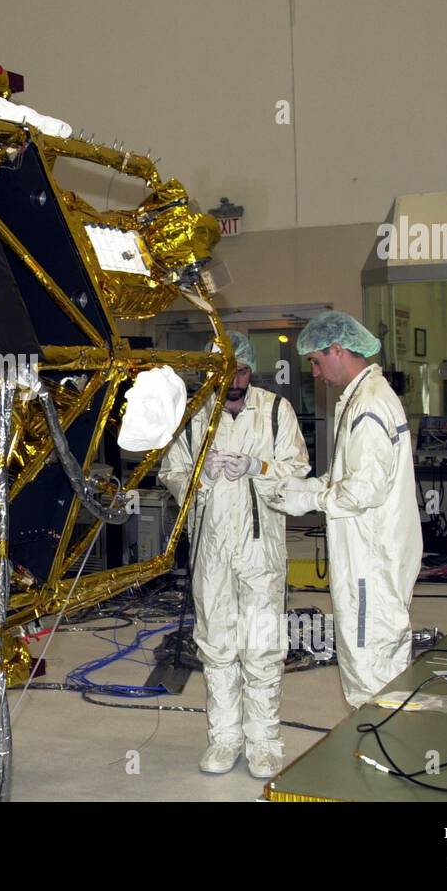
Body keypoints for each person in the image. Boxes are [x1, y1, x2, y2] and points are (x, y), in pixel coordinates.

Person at [160, 331, 309, 778]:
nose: (235, 382)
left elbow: (297, 472)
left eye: (241, 371)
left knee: (262, 644)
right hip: (210, 549)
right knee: (217, 644)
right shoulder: (194, 417)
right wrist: (199, 475)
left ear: (250, 370)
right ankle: (224, 737)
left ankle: (264, 741)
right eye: (226, 374)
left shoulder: (277, 412)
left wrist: (257, 468)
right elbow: (171, 473)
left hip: (261, 550)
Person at [269, 311, 421, 709]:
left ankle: (380, 754)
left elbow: (363, 490)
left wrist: (312, 500)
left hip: (371, 561)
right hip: (372, 555)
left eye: (317, 362)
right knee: (372, 660)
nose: (316, 374)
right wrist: (307, 487)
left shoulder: (368, 407)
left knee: (372, 670)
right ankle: (378, 748)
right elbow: (347, 475)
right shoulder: (362, 398)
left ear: (338, 349)